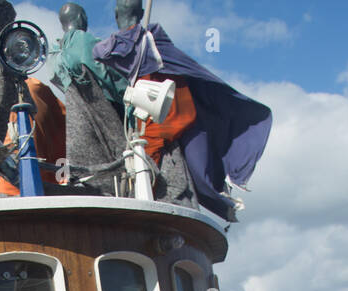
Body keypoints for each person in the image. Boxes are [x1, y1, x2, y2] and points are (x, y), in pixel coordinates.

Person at [93, 0, 272, 220]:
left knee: (189, 167)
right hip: (138, 115)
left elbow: (105, 52)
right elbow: (103, 53)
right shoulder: (122, 45)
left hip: (166, 115)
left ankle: (217, 202)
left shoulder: (153, 41)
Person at [50, 2, 127, 194]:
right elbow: (105, 74)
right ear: (80, 18)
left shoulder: (54, 53)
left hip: (77, 114)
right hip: (101, 108)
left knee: (80, 152)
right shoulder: (84, 40)